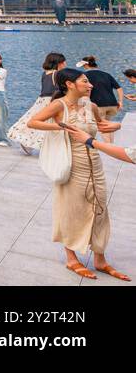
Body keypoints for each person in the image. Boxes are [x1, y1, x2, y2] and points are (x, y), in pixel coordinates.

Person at [27, 68, 128, 281]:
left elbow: (102, 127)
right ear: (70, 84)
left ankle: (100, 259)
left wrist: (117, 125)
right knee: (71, 210)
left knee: (100, 209)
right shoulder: (58, 105)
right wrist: (61, 128)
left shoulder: (91, 106)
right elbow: (33, 122)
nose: (90, 85)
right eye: (85, 81)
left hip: (95, 164)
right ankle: (71, 258)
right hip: (71, 164)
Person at [7, 53, 65, 155]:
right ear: (59, 63)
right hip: (52, 100)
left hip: (41, 100)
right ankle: (46, 145)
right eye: (63, 62)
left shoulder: (45, 73)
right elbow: (59, 89)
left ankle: (28, 141)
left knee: (33, 119)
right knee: (49, 122)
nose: (65, 64)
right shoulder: (57, 74)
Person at [78, 56, 121, 126]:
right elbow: (119, 88)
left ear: (85, 65)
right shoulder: (107, 74)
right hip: (112, 105)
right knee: (107, 126)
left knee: (100, 127)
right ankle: (110, 136)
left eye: (83, 66)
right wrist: (120, 101)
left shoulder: (84, 76)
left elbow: (85, 90)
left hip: (98, 105)